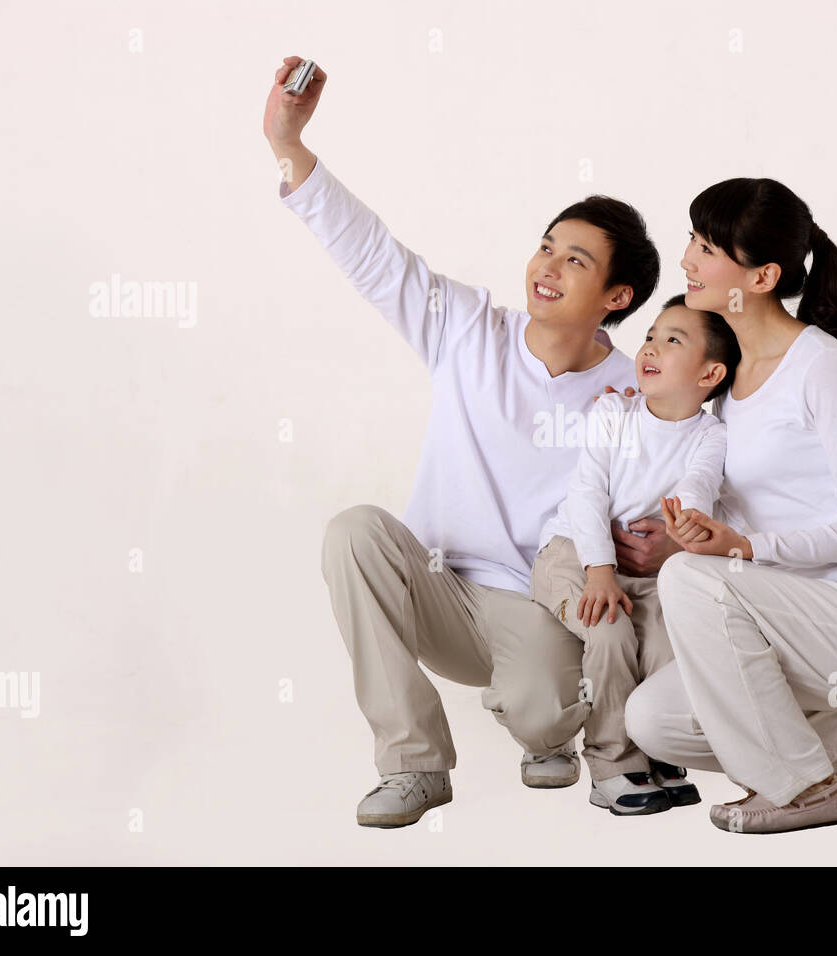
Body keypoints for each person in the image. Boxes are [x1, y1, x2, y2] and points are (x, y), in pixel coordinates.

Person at [263, 56, 671, 828]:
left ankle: (542, 728)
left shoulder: (634, 395)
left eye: (576, 261)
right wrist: (289, 144)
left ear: (616, 297)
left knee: (545, 714)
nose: (547, 267)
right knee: (353, 531)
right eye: (546, 246)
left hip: (537, 611)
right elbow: (372, 255)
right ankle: (413, 764)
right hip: (439, 588)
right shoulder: (468, 328)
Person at [625, 178, 837, 834]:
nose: (686, 260)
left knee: (691, 579)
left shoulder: (818, 366)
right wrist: (688, 521)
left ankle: (808, 788)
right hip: (789, 625)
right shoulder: (726, 377)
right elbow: (707, 473)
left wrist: (745, 549)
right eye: (691, 239)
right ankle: (829, 727)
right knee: (651, 721)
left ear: (763, 276)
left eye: (707, 248)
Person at [530, 295, 739, 815]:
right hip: (574, 554)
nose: (650, 348)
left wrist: (685, 522)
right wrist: (599, 572)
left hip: (643, 569)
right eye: (650, 336)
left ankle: (656, 747)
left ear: (710, 374)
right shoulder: (613, 412)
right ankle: (612, 762)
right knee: (611, 630)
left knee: (669, 638)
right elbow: (587, 492)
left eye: (673, 340)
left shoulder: (711, 435)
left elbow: (699, 483)